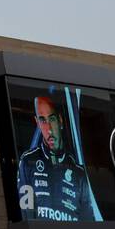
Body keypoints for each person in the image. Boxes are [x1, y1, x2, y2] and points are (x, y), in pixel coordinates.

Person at [17, 93, 99, 222]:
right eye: (43, 121)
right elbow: (26, 214)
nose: (48, 129)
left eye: (52, 119)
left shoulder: (79, 172)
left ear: (60, 120)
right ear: (37, 123)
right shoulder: (28, 162)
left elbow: (88, 222)